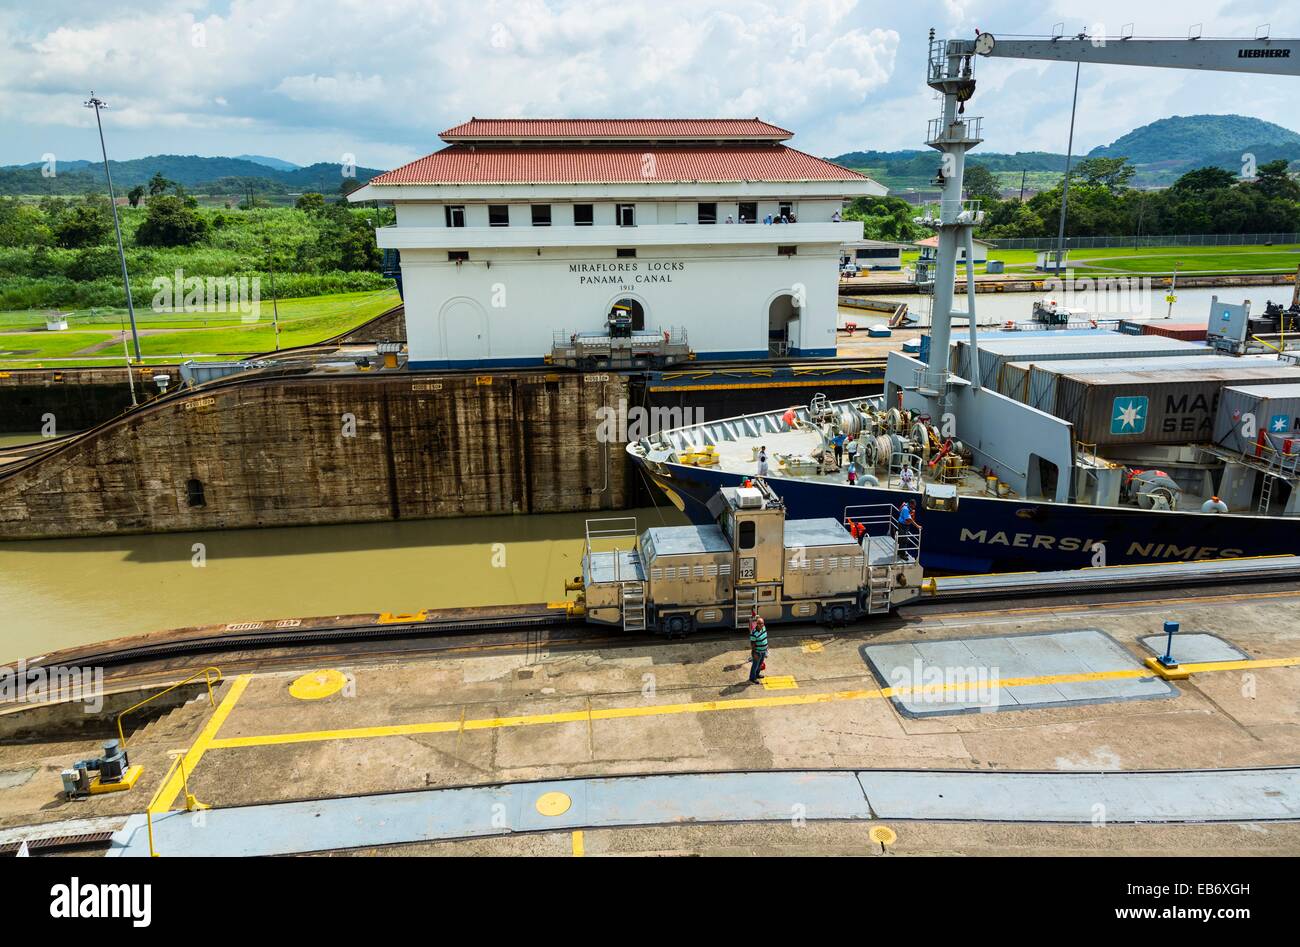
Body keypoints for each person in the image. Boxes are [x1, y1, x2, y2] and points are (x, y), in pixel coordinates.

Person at [748, 612, 768, 684]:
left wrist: (766, 648)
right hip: (757, 652)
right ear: (756, 624)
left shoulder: (764, 628)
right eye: (759, 623)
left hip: (763, 651)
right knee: (755, 665)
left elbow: (765, 638)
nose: (760, 625)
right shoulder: (754, 633)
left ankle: (757, 674)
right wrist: (754, 653)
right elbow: (752, 644)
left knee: (760, 664)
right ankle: (752, 678)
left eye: (762, 623)